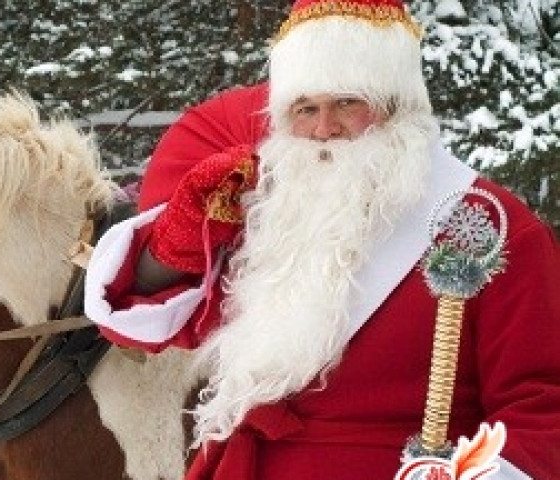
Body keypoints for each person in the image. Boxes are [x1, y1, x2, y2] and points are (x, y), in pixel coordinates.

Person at [83, 0, 560, 478]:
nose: (323, 130)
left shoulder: (488, 226)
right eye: (305, 109)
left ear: (397, 104)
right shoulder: (272, 213)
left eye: (347, 103)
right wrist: (178, 242)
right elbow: (142, 326)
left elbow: (541, 408)